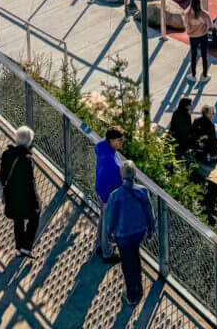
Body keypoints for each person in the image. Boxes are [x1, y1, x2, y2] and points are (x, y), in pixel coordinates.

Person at [103, 161, 154, 306]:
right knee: (135, 256)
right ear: (134, 175)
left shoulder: (115, 195)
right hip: (138, 232)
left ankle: (132, 295)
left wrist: (108, 234)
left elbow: (110, 217)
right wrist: (151, 230)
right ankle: (139, 287)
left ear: (122, 176)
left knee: (127, 264)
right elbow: (150, 212)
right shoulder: (143, 191)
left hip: (122, 235)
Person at [0, 126, 41, 258]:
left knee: (18, 220)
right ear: (29, 141)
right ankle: (26, 247)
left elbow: (2, 176)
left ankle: (19, 248)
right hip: (26, 197)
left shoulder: (6, 154)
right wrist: (36, 200)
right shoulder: (27, 159)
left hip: (12, 194)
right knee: (35, 215)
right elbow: (30, 182)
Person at [94, 127, 126, 260]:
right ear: (112, 140)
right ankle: (107, 253)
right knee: (108, 224)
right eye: (119, 140)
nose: (121, 143)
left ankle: (100, 245)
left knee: (103, 220)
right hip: (109, 196)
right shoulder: (113, 165)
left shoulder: (102, 146)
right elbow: (119, 184)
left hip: (102, 190)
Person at [184, 0, 211, 79]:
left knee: (193, 55)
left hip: (193, 37)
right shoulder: (204, 14)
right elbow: (209, 25)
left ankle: (193, 75)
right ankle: (205, 75)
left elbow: (186, 25)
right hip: (203, 36)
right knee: (204, 55)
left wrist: (190, 32)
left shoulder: (187, 14)